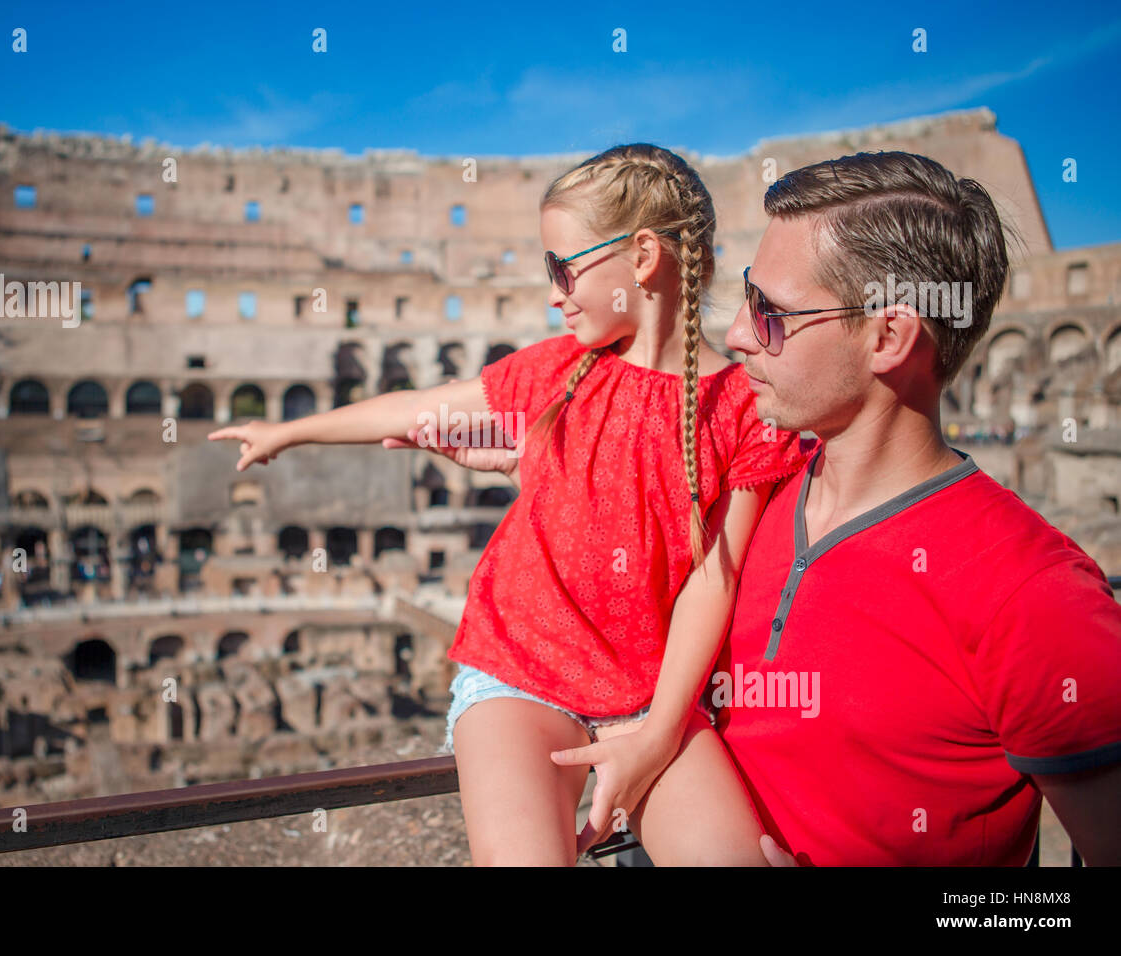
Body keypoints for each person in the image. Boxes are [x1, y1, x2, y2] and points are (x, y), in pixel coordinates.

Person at [432, 150, 1121, 866]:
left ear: (889, 337)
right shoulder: (748, 500)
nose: (733, 334)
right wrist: (550, 460)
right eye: (746, 297)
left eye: (771, 313)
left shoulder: (1034, 597)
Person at [209, 143, 809, 865]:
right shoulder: (553, 372)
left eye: (564, 267)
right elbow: (418, 408)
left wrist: (657, 732)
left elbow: (716, 577)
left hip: (652, 695)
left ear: (644, 256)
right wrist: (291, 432)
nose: (553, 291)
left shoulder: (743, 407)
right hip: (520, 673)